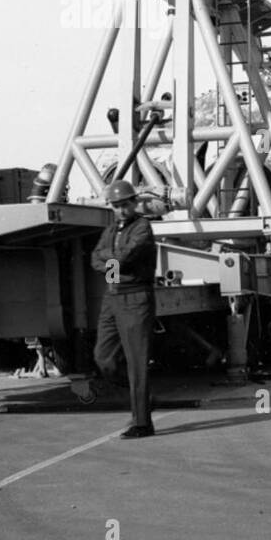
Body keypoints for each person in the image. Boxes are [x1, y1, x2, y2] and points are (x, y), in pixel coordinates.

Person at [90, 179, 157, 438]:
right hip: (113, 298)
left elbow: (127, 256)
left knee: (137, 362)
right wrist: (112, 262)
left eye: (125, 205)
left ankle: (142, 422)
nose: (121, 210)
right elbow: (95, 258)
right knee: (103, 357)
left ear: (134, 203)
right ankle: (142, 395)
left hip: (136, 298)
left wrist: (110, 261)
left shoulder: (143, 227)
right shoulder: (110, 231)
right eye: (116, 206)